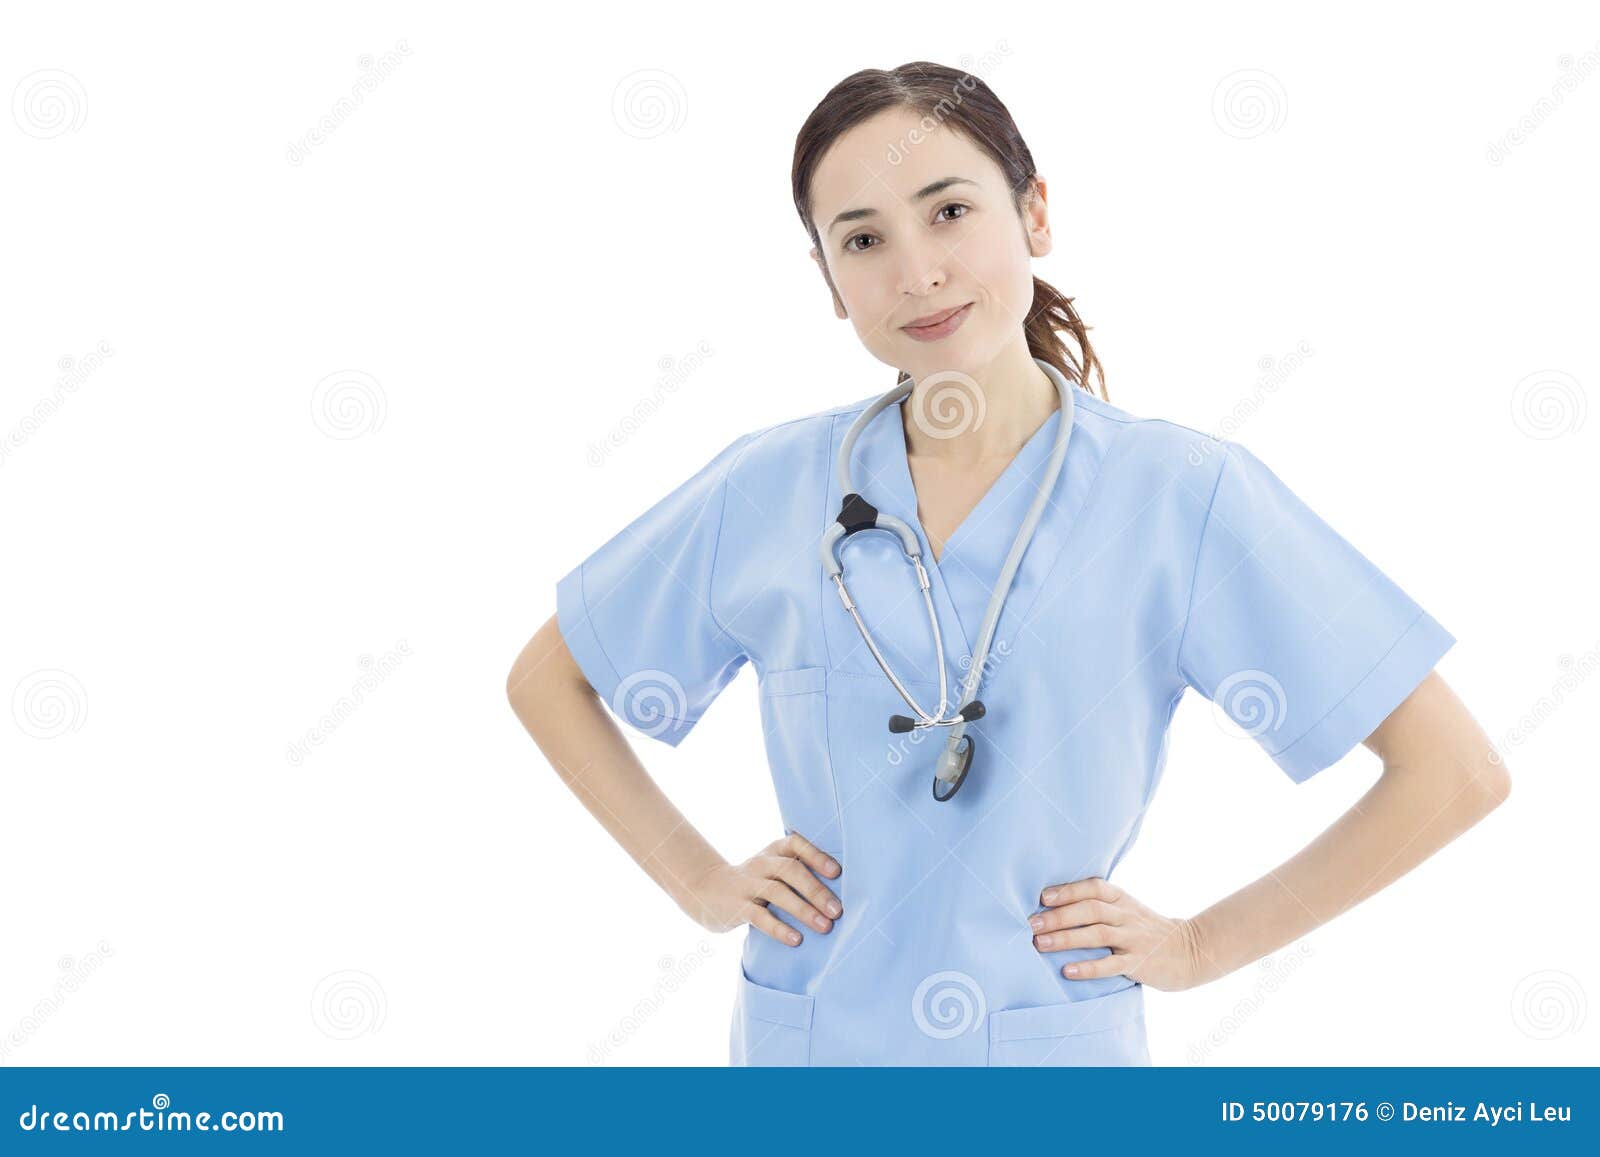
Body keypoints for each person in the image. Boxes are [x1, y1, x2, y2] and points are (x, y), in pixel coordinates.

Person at [506, 61, 1509, 1066]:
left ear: (1034, 213)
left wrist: (1201, 945)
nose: (917, 273)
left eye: (948, 212)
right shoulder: (766, 487)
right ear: (829, 281)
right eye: (863, 240)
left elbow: (1452, 772)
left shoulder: (1179, 492)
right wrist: (696, 880)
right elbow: (550, 676)